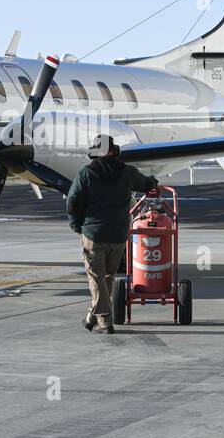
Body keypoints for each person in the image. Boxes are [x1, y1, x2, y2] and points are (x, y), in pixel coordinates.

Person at [66, 135, 158, 333]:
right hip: (118, 235)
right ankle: (92, 316)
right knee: (107, 277)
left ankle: (105, 321)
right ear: (114, 151)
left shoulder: (86, 174)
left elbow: (72, 201)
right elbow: (145, 183)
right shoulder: (127, 172)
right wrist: (153, 181)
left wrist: (75, 224)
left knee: (96, 278)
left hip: (93, 234)